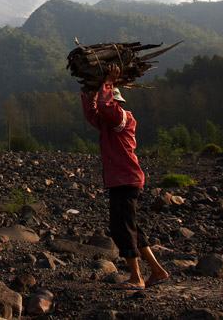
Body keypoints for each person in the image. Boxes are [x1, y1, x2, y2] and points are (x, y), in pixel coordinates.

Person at [80, 63, 169, 290]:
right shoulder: (108, 124)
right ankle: (157, 271)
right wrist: (89, 92)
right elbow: (92, 112)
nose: (105, 107)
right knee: (132, 227)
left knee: (122, 229)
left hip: (126, 180)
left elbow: (103, 106)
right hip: (120, 181)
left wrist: (108, 81)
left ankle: (136, 278)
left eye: (110, 102)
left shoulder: (123, 119)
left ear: (116, 103)